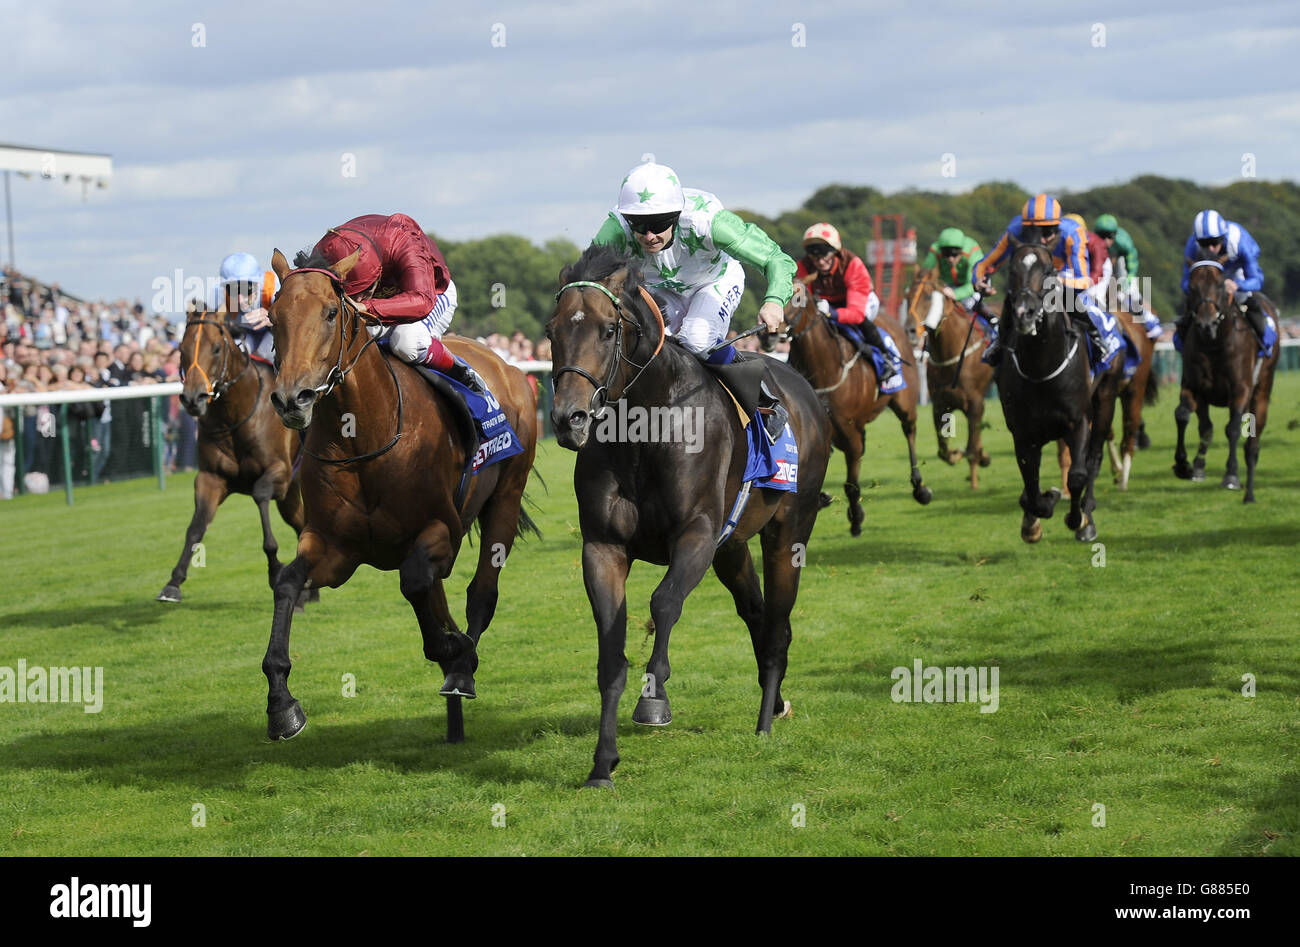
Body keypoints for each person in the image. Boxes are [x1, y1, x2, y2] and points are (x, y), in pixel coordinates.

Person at [590, 161, 796, 439]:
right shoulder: (616, 229)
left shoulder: (710, 222)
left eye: (659, 224)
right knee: (643, 342)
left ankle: (762, 399)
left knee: (696, 338)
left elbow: (776, 259)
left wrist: (773, 301)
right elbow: (587, 281)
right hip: (661, 289)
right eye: (639, 225)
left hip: (714, 281)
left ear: (676, 216)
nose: (649, 235)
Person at [305, 213, 485, 393]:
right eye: (351, 293)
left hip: (432, 294)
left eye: (363, 291)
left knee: (406, 343)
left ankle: (462, 373)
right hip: (385, 300)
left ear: (377, 273)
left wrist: (366, 306)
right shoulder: (325, 250)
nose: (358, 298)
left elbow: (422, 300)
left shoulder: (402, 239)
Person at [973, 194, 1123, 374]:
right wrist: (978, 281)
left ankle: (1096, 337)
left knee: (1067, 296)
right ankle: (1000, 340)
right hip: (1033, 277)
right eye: (1033, 231)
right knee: (1016, 292)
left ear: (1058, 227)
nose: (1040, 239)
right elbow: (985, 264)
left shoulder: (1072, 234)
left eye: (1047, 232)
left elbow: (1083, 280)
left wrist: (1057, 280)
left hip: (1063, 276)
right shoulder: (1015, 230)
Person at [795, 222, 901, 389]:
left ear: (835, 252)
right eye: (815, 257)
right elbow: (800, 301)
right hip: (825, 302)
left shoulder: (852, 264)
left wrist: (832, 313)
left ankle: (885, 358)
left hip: (859, 302)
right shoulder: (804, 266)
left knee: (857, 324)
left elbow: (856, 313)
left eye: (824, 256)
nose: (820, 261)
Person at [1176, 209, 1269, 352]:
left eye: (1214, 242)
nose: (1211, 249)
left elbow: (1257, 280)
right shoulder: (1192, 245)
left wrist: (1237, 285)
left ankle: (1265, 341)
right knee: (1189, 313)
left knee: (1244, 298)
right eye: (1204, 244)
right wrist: (1198, 289)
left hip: (1236, 272)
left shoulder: (1239, 241)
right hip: (1207, 280)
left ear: (1223, 237)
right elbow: (1185, 283)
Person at [1092, 213, 1161, 340]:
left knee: (1124, 294)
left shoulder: (1122, 242)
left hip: (1122, 261)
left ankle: (1150, 321)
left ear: (1115, 235)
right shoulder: (1093, 241)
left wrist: (1128, 280)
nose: (1106, 241)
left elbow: (1132, 261)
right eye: (1102, 236)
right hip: (1106, 262)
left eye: (1110, 236)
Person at [919, 226, 995, 337]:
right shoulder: (935, 249)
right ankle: (927, 335)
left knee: (968, 303)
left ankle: (992, 321)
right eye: (946, 254)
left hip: (975, 284)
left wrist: (956, 294)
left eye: (954, 254)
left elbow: (973, 284)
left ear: (961, 250)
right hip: (948, 286)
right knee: (934, 300)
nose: (950, 259)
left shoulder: (972, 250)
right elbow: (924, 274)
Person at [213, 252, 277, 362]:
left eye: (245, 289)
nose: (240, 299)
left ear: (257, 284)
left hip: (272, 332)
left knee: (266, 353)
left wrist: (274, 319)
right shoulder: (219, 293)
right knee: (235, 355)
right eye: (232, 290)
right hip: (245, 333)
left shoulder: (273, 287)